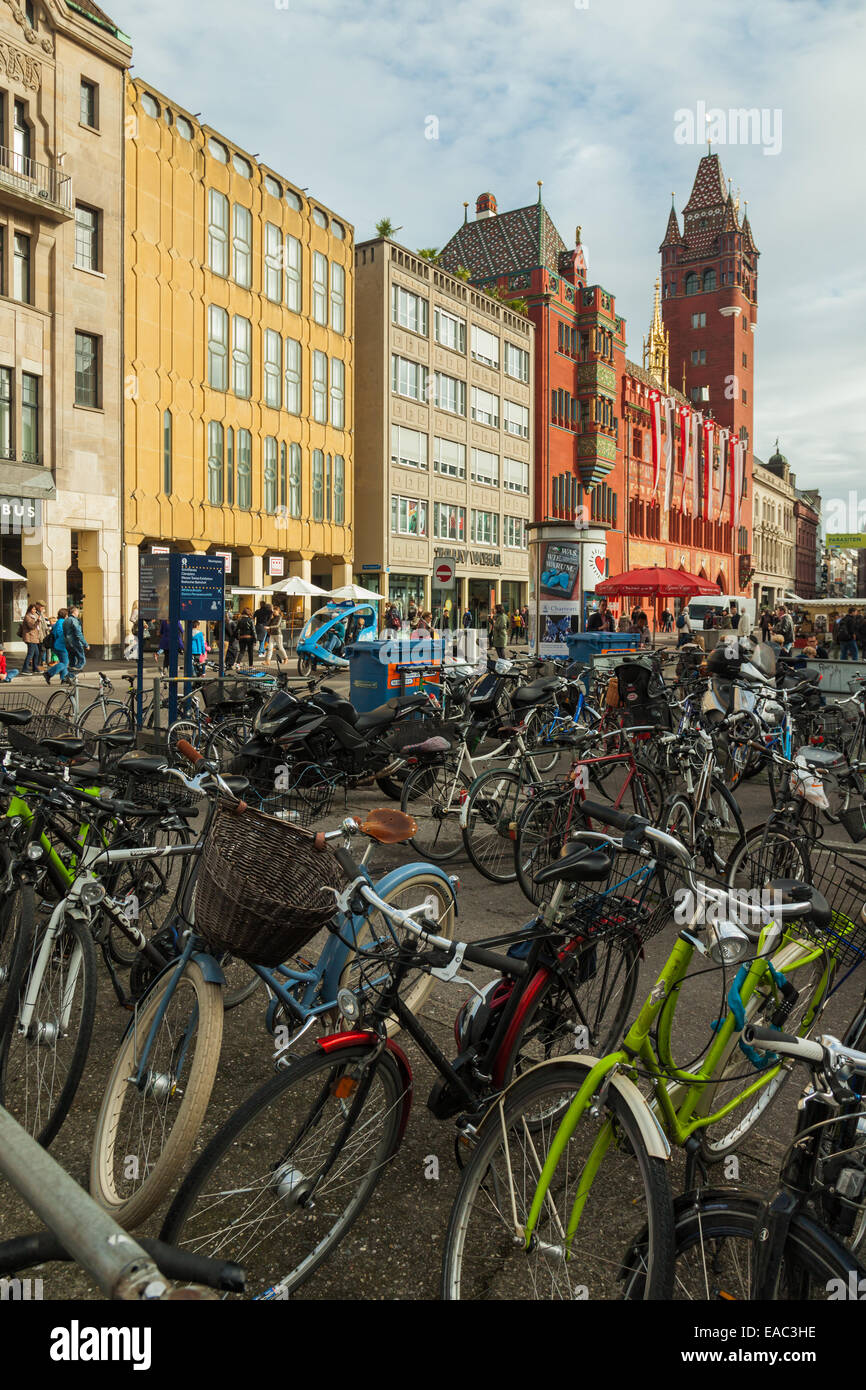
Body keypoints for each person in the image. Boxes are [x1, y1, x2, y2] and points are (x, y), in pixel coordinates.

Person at [20, 604, 41, 674]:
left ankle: (35, 668)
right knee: (30, 654)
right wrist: (38, 621)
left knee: (37, 653)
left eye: (35, 609)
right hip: (30, 637)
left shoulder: (35, 616)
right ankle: (25, 669)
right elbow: (31, 626)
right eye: (33, 609)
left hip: (35, 638)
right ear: (30, 609)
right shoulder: (27, 617)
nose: (34, 611)